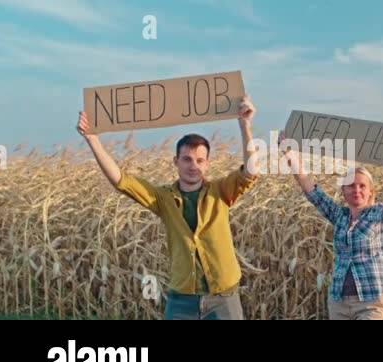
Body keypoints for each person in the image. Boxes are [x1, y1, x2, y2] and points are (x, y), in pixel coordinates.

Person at [76, 97, 259, 320]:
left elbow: (250, 173)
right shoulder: (163, 198)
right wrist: (93, 140)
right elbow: (121, 181)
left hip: (223, 298)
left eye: (200, 160)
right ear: (176, 161)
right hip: (181, 299)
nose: (194, 166)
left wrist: (245, 125)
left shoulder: (220, 191)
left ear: (207, 163)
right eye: (187, 159)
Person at [280, 133, 383, 320]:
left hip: (372, 300)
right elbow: (309, 189)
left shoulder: (381, 214)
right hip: (339, 300)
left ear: (370, 191)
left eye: (362, 186)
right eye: (350, 186)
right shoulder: (338, 216)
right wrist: (289, 154)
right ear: (343, 190)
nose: (356, 190)